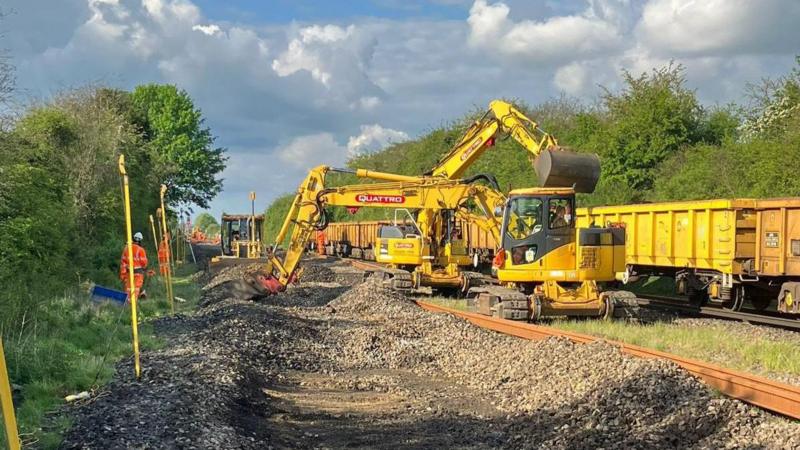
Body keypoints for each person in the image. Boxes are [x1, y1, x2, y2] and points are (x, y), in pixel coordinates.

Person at [120, 232, 149, 299]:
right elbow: (144, 263)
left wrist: (123, 274)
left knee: (128, 289)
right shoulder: (141, 250)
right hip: (138, 273)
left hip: (128, 273)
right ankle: (133, 304)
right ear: (140, 240)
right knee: (135, 289)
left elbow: (123, 262)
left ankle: (127, 304)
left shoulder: (126, 249)